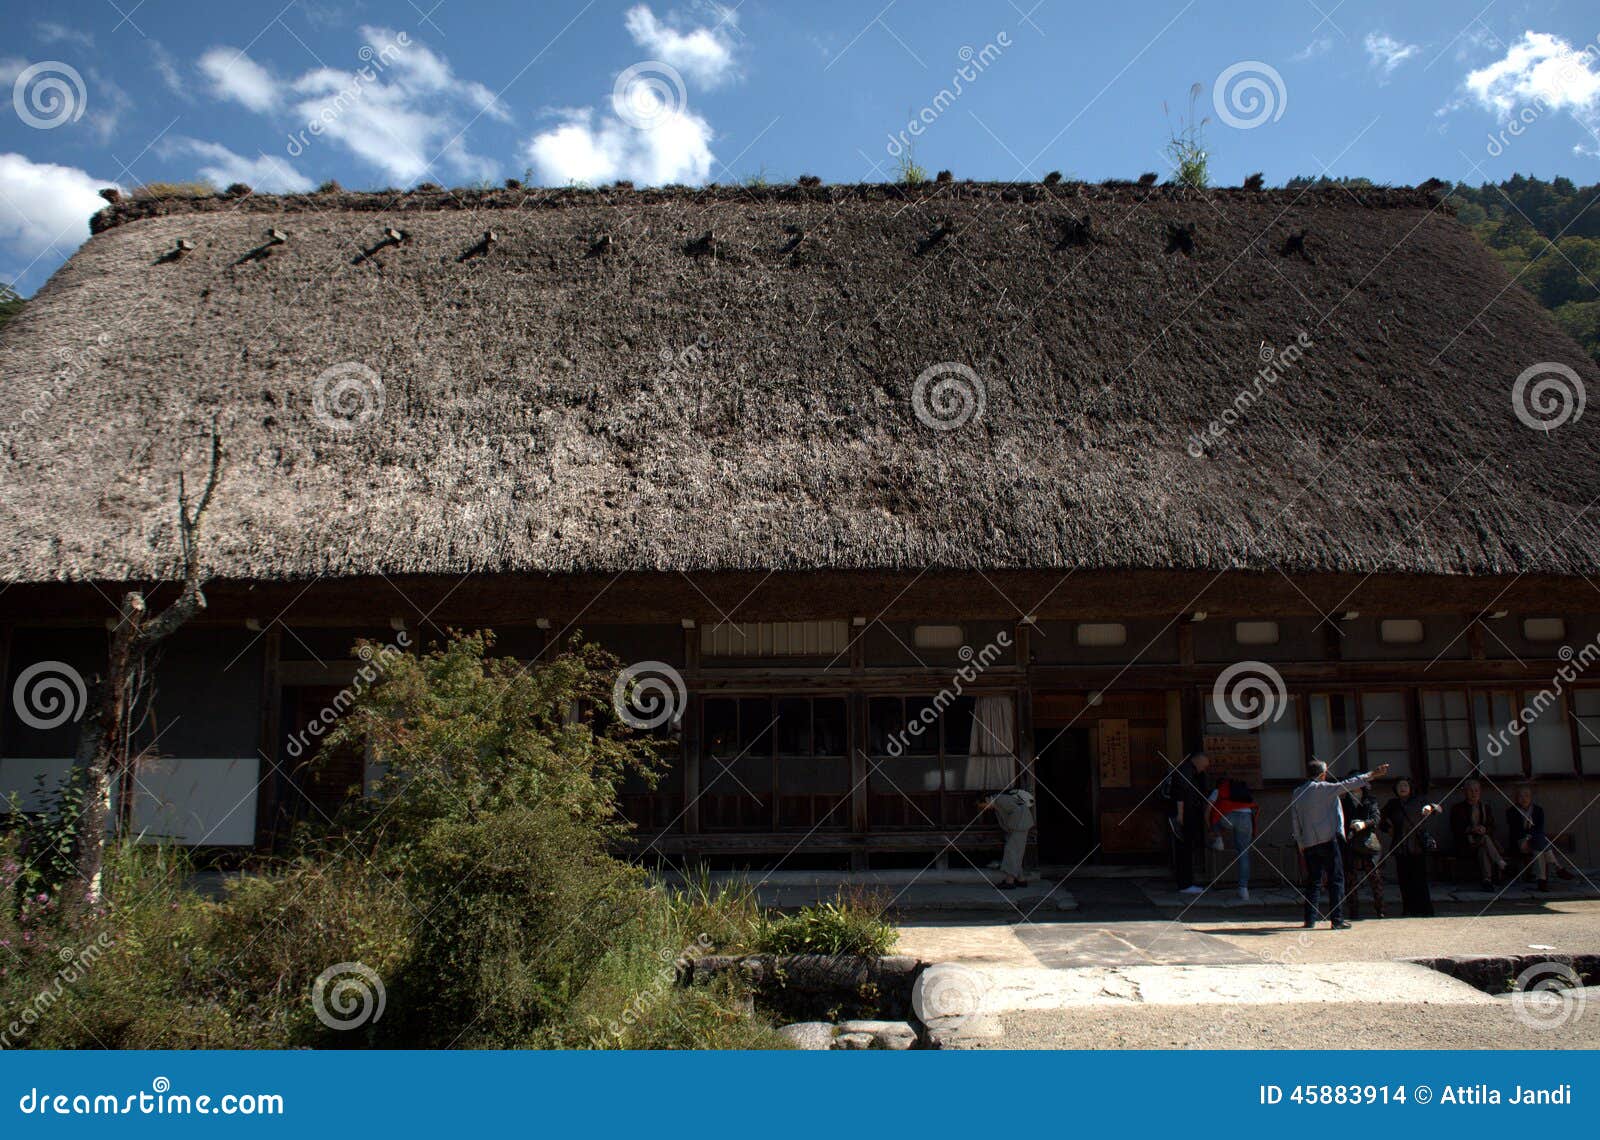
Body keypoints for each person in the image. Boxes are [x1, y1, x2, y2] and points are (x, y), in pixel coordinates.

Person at [1290, 760, 1389, 929]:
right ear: (1322, 774)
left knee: (1313, 881)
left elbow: (1295, 820)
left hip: (1308, 842)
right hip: (1328, 840)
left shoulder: (1298, 792)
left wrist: (1300, 842)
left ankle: (1310, 920)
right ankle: (1337, 920)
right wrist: (1373, 774)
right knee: (1336, 880)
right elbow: (1349, 784)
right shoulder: (1324, 788)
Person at [1381, 778, 1440, 917]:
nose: (1403, 788)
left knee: (1419, 879)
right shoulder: (1392, 804)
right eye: (1400, 785)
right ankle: (1408, 908)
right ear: (1395, 789)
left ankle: (1424, 909)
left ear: (1410, 787)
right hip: (1400, 845)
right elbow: (1380, 820)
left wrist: (1430, 807)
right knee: (1404, 880)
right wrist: (1389, 829)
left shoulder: (1419, 800)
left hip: (1417, 844)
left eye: (1405, 785)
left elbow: (1438, 808)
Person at [1162, 750, 1210, 895]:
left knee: (1186, 848)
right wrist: (1180, 816)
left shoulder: (1190, 771)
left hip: (1187, 815)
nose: (1205, 768)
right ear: (1198, 760)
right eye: (1205, 765)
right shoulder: (1186, 771)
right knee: (1184, 849)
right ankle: (1185, 884)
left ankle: (1187, 882)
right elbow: (1179, 794)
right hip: (1184, 816)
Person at [1450, 779, 1507, 892]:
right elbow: (1456, 828)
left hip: (1483, 843)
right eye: (1470, 790)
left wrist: (1484, 829)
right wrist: (1472, 829)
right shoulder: (1458, 808)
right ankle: (1500, 862)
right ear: (1465, 792)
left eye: (1476, 790)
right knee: (1485, 839)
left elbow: (1492, 826)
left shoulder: (1485, 807)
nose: (1473, 793)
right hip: (1466, 843)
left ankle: (1487, 881)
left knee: (1483, 849)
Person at [1208, 775, 1258, 901]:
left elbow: (1208, 809)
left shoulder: (1217, 790)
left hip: (1227, 818)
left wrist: (1212, 829)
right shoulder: (1239, 791)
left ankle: (1219, 840)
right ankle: (1243, 890)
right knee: (1244, 854)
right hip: (1246, 818)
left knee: (1214, 815)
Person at [1342, 783, 1386, 920]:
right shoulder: (1343, 802)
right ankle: (1353, 910)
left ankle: (1380, 908)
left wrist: (1364, 824)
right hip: (1350, 842)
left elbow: (1376, 818)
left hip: (1368, 841)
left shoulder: (1370, 800)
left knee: (1375, 876)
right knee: (1350, 878)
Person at [978, 787, 1036, 889]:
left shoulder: (1000, 799)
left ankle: (1009, 882)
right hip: (1018, 826)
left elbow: (1017, 810)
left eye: (983, 805)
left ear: (987, 800)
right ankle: (1021, 880)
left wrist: (1011, 826)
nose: (984, 808)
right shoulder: (998, 801)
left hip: (1019, 826)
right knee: (1016, 852)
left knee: (1012, 852)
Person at [1505, 784, 1555, 892]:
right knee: (1540, 845)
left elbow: (1539, 828)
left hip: (1534, 840)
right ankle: (1552, 868)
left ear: (1531, 797)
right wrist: (1527, 836)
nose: (1524, 799)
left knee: (1538, 849)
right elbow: (1516, 831)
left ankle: (1541, 880)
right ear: (1516, 798)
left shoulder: (1538, 810)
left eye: (1527, 795)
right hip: (1520, 842)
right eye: (1521, 796)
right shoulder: (1511, 811)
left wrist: (1530, 835)